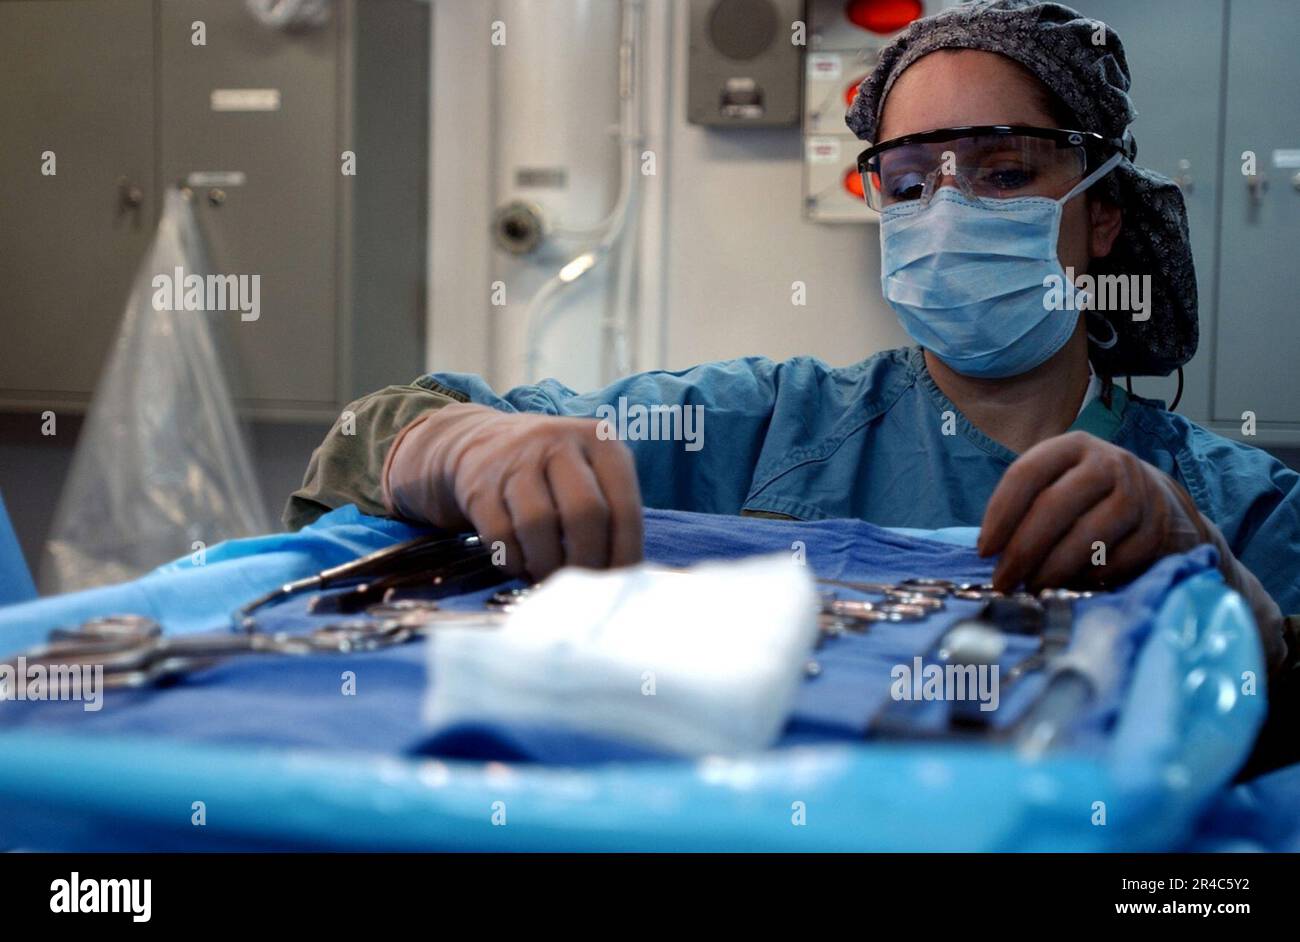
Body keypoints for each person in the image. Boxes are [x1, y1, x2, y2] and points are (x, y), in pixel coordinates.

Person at [285, 0, 1297, 675]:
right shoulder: (765, 426)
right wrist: (459, 445)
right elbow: (373, 441)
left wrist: (1205, 575)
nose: (947, 212)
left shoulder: (1235, 505)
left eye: (1001, 173)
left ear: (1101, 213)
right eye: (908, 184)